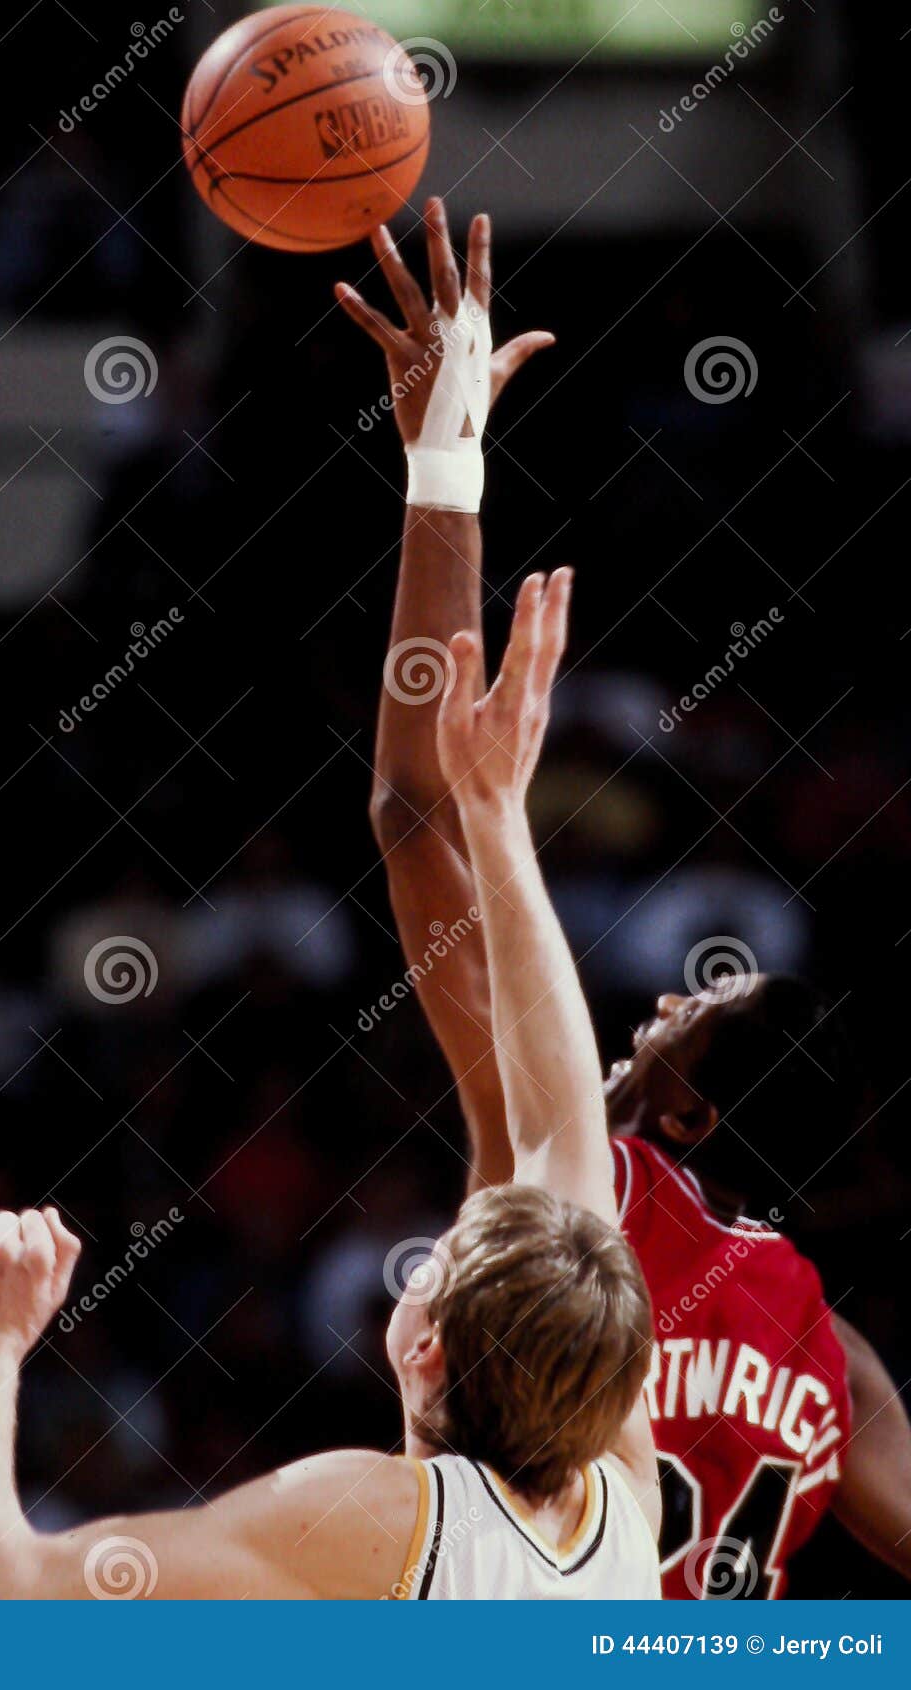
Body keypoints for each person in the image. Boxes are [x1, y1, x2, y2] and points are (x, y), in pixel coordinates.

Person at [348, 197, 911, 1597]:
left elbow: (410, 814)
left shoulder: (571, 1189)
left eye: (690, 1013)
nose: (660, 999)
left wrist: (443, 467)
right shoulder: (829, 1346)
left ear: (690, 1111)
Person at [0, 581, 661, 1601]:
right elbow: (558, 1118)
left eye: (430, 1260)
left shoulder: (377, 1520)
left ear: (425, 1343)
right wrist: (491, 817)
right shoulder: (618, 1503)